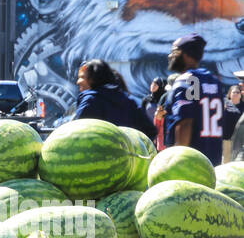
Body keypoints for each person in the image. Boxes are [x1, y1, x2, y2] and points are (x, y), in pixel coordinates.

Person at [163, 34, 226, 164]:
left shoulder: (190, 80)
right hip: (212, 158)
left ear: (185, 54)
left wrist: (178, 160)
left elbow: (186, 122)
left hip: (191, 162)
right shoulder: (213, 81)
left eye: (174, 51)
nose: (170, 56)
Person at [73, 59, 157, 138]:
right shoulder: (128, 101)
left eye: (82, 77)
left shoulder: (90, 100)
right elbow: (150, 131)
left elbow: (75, 133)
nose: (78, 81)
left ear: (92, 79)